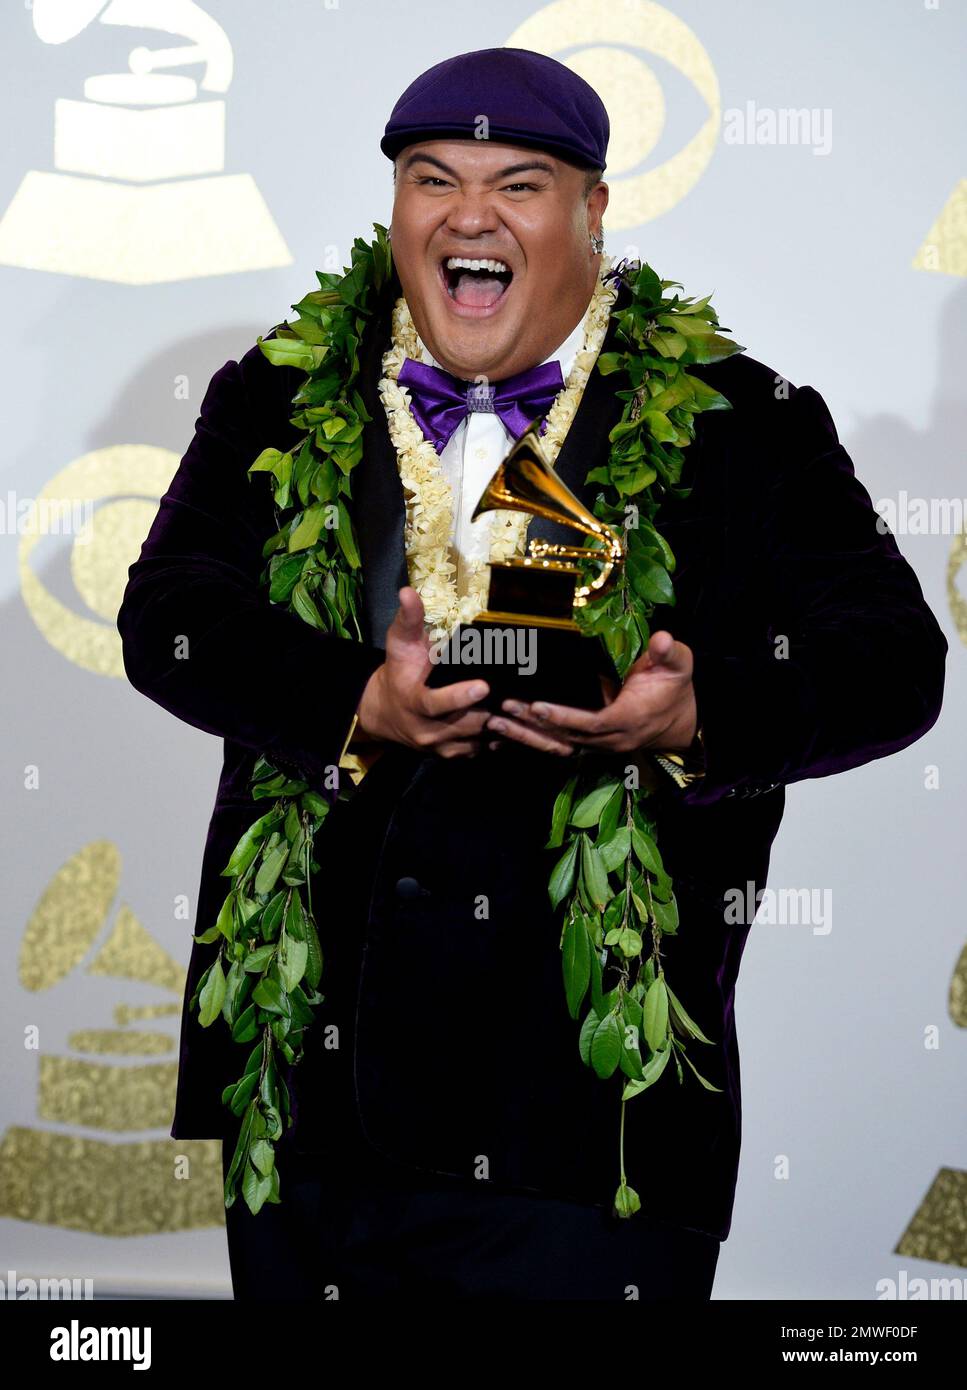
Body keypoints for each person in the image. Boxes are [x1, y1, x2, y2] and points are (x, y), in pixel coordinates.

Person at [117, 48, 947, 1301]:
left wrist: (703, 709)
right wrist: (350, 701)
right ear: (395, 204)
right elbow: (168, 618)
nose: (469, 215)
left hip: (589, 1142)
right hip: (308, 1126)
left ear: (592, 212)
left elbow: (895, 663)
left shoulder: (744, 422)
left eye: (520, 184)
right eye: (431, 178)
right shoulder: (281, 400)